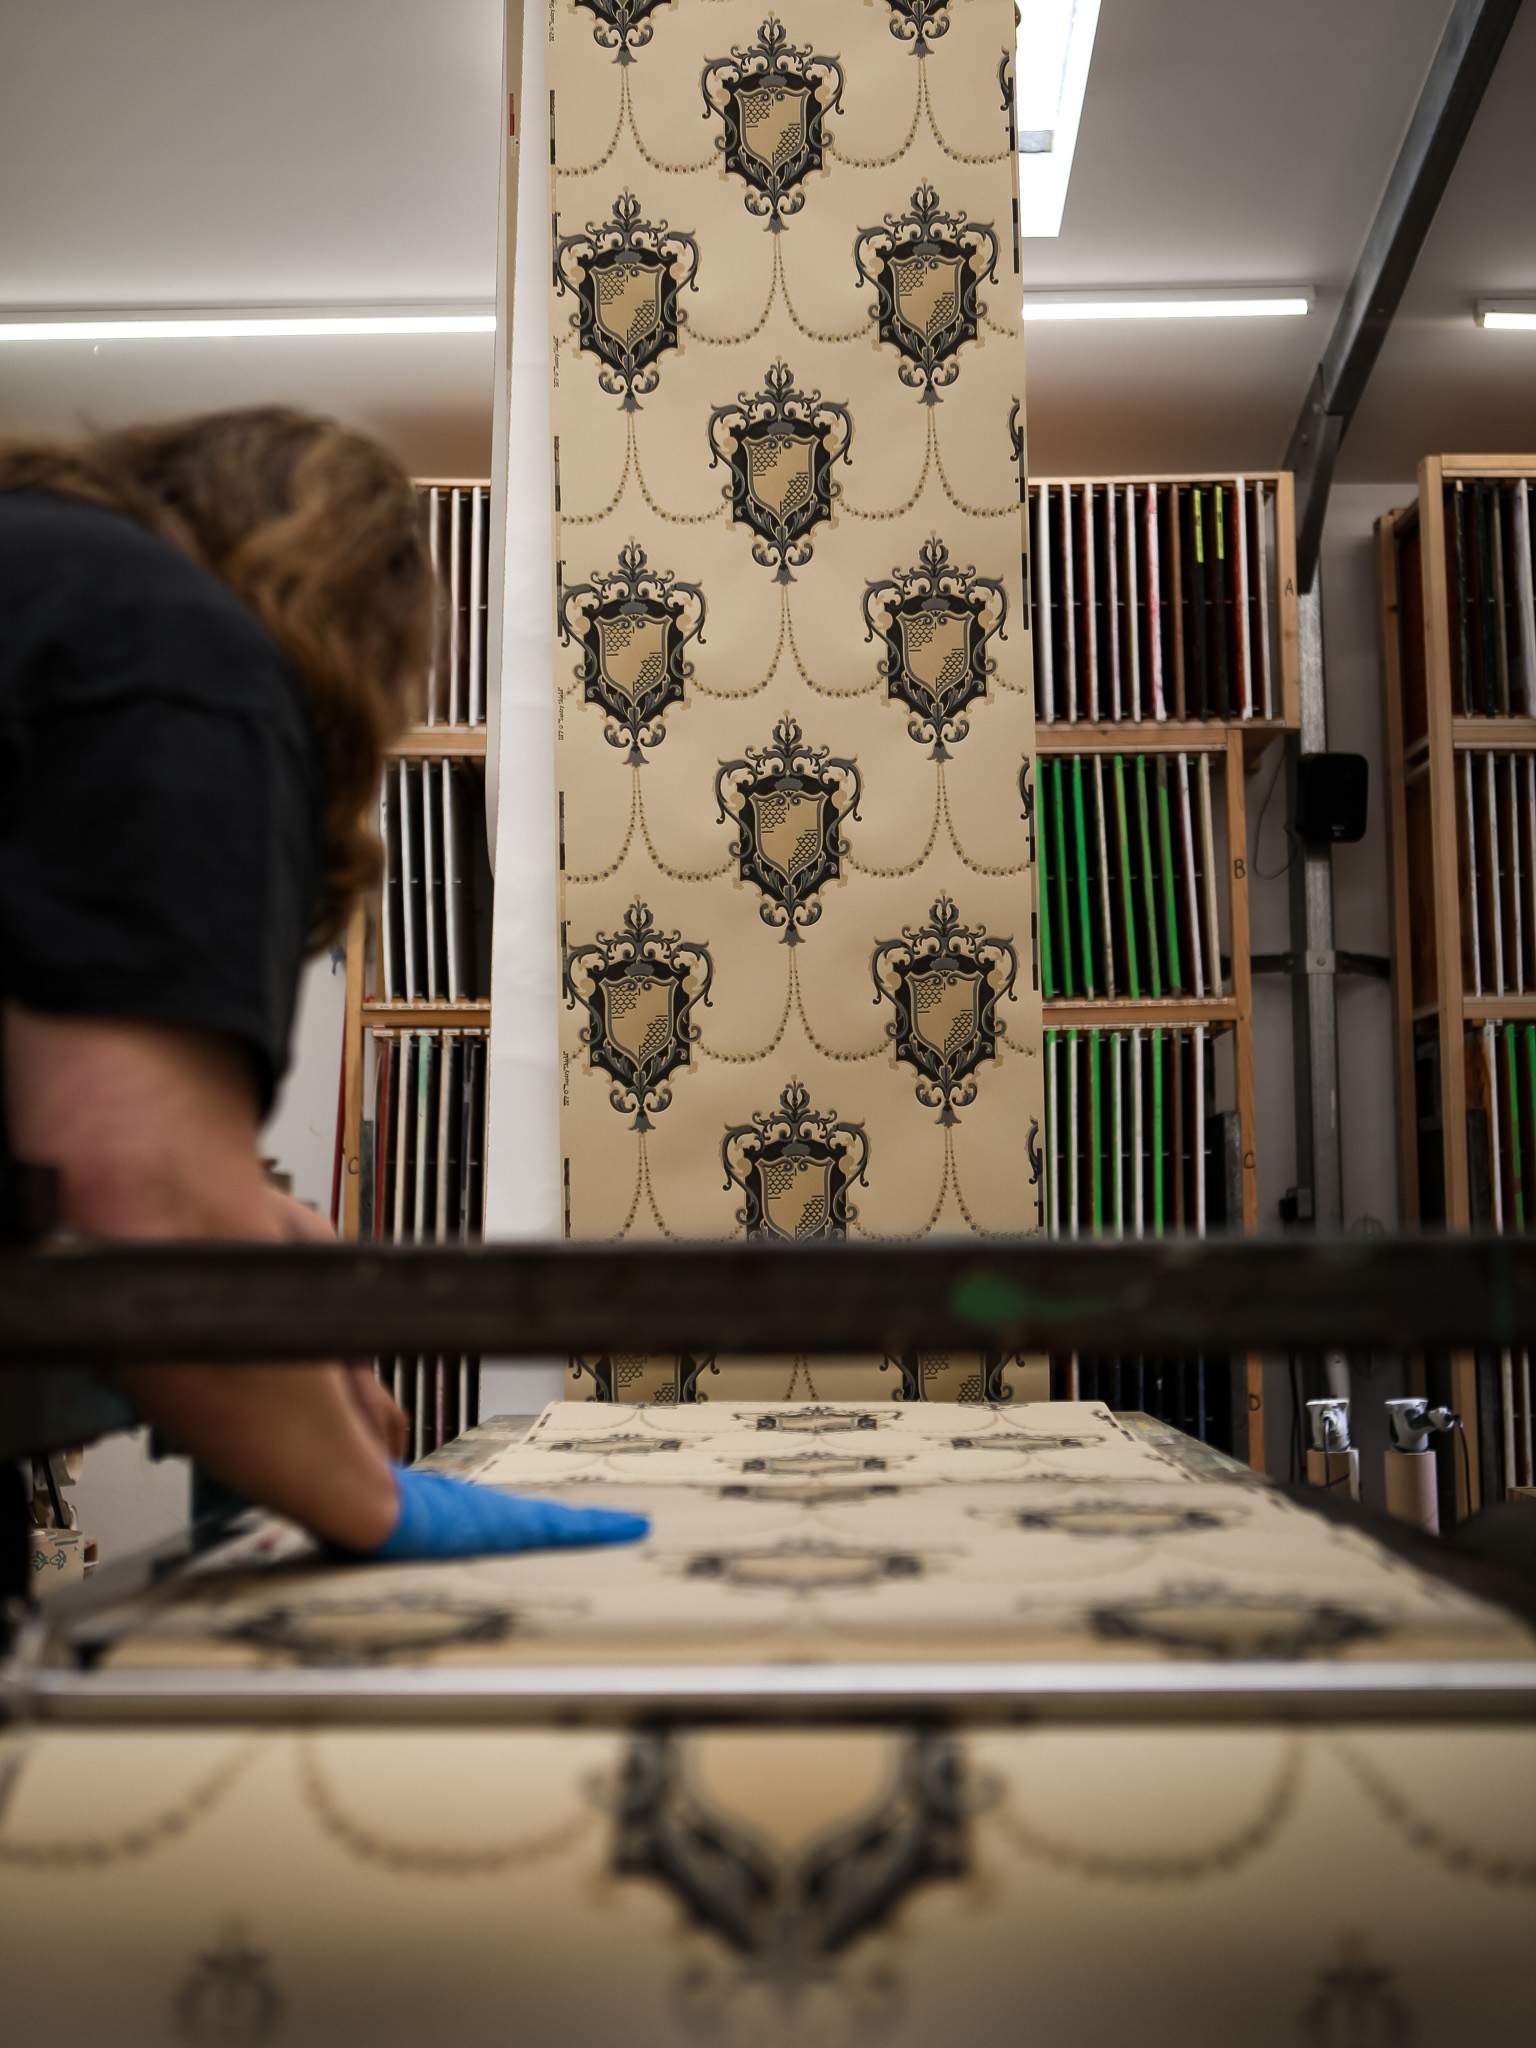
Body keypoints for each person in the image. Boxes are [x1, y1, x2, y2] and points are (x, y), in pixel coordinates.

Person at [0, 408, 645, 1560]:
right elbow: (146, 1196)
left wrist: (265, 1233)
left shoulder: (49, 583)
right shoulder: (166, 640)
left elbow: (61, 1102)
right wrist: (376, 1501)